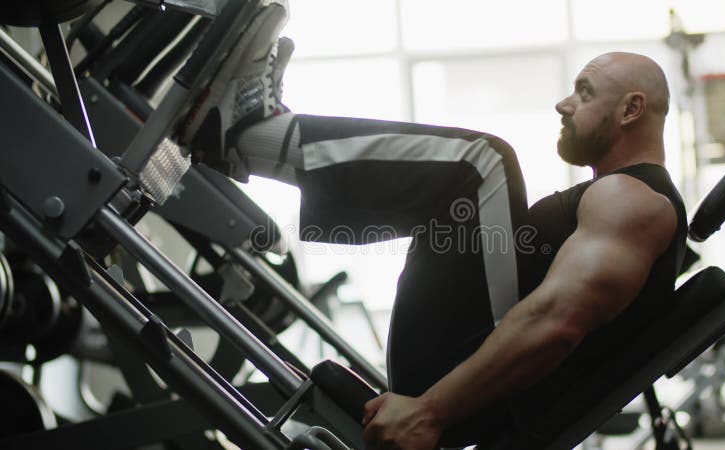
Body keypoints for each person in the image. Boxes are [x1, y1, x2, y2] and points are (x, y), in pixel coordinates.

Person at [181, 3, 687, 449]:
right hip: (471, 376)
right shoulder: (622, 197)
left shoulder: (635, 200)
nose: (563, 103)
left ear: (631, 109)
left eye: (584, 92)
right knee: (463, 191)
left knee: (482, 164)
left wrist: (430, 412)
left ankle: (254, 137)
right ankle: (266, 137)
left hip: (475, 397)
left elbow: (557, 320)